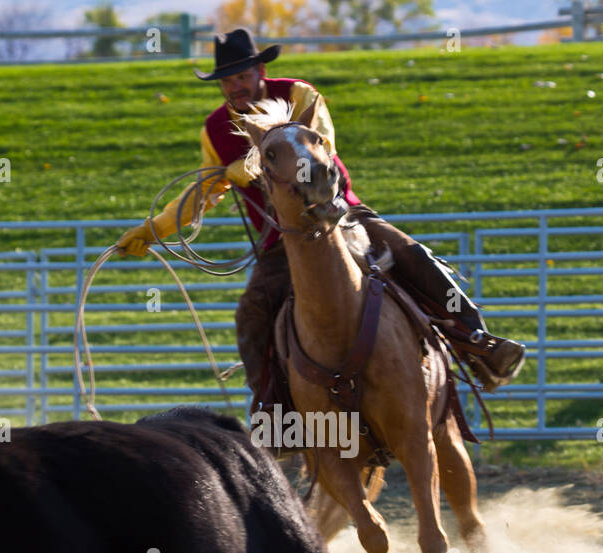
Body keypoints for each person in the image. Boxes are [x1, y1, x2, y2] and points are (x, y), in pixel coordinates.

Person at [116, 29, 524, 406]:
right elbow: (201, 193)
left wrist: (249, 164)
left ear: (260, 70)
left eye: (241, 76)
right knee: (252, 314)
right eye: (227, 81)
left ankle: (478, 346)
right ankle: (274, 409)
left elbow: (321, 145)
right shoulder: (214, 129)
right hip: (284, 239)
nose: (234, 87)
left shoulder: (299, 95)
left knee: (415, 257)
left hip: (344, 216)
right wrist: (155, 230)